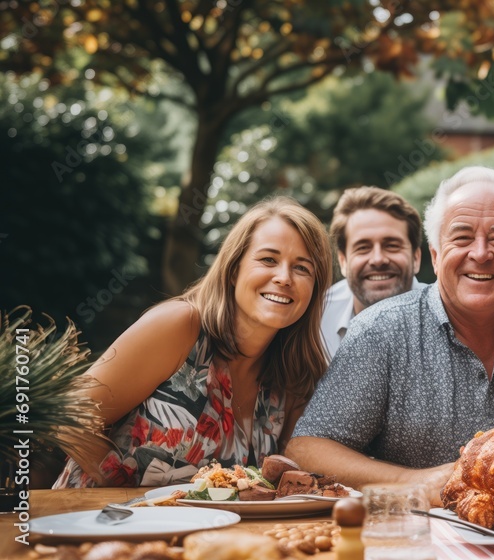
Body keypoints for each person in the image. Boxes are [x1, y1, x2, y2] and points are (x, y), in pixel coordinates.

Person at [286, 166, 494, 501]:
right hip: (418, 540)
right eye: (462, 237)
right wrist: (414, 482)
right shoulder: (380, 331)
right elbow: (309, 448)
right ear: (435, 255)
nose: (480, 253)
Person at [54, 197, 333, 487]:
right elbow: (67, 417)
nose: (284, 278)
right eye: (268, 260)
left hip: (213, 532)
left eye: (302, 268)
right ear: (234, 269)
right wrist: (123, 492)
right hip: (96, 522)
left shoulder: (297, 376)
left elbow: (289, 480)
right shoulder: (180, 325)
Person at [322, 186, 423, 358]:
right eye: (363, 248)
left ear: (416, 258)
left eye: (392, 245)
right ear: (343, 261)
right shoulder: (315, 319)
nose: (378, 259)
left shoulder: (452, 320)